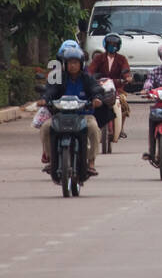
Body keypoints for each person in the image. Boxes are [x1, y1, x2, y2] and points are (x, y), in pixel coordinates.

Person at [40, 40, 104, 176]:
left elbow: (96, 89)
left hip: (83, 115)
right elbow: (50, 90)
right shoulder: (59, 78)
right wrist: (45, 99)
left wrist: (96, 99)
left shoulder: (87, 78)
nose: (73, 66)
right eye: (70, 63)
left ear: (81, 64)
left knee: (93, 128)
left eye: (75, 62)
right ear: (65, 64)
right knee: (46, 127)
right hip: (61, 115)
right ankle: (52, 160)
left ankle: (91, 162)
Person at [87, 33, 130, 139]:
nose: (112, 46)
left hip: (117, 88)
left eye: (115, 44)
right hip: (100, 88)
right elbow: (90, 70)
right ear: (105, 45)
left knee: (123, 103)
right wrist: (89, 77)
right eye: (110, 44)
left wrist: (127, 77)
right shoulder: (99, 58)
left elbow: (126, 71)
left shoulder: (122, 59)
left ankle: (120, 129)